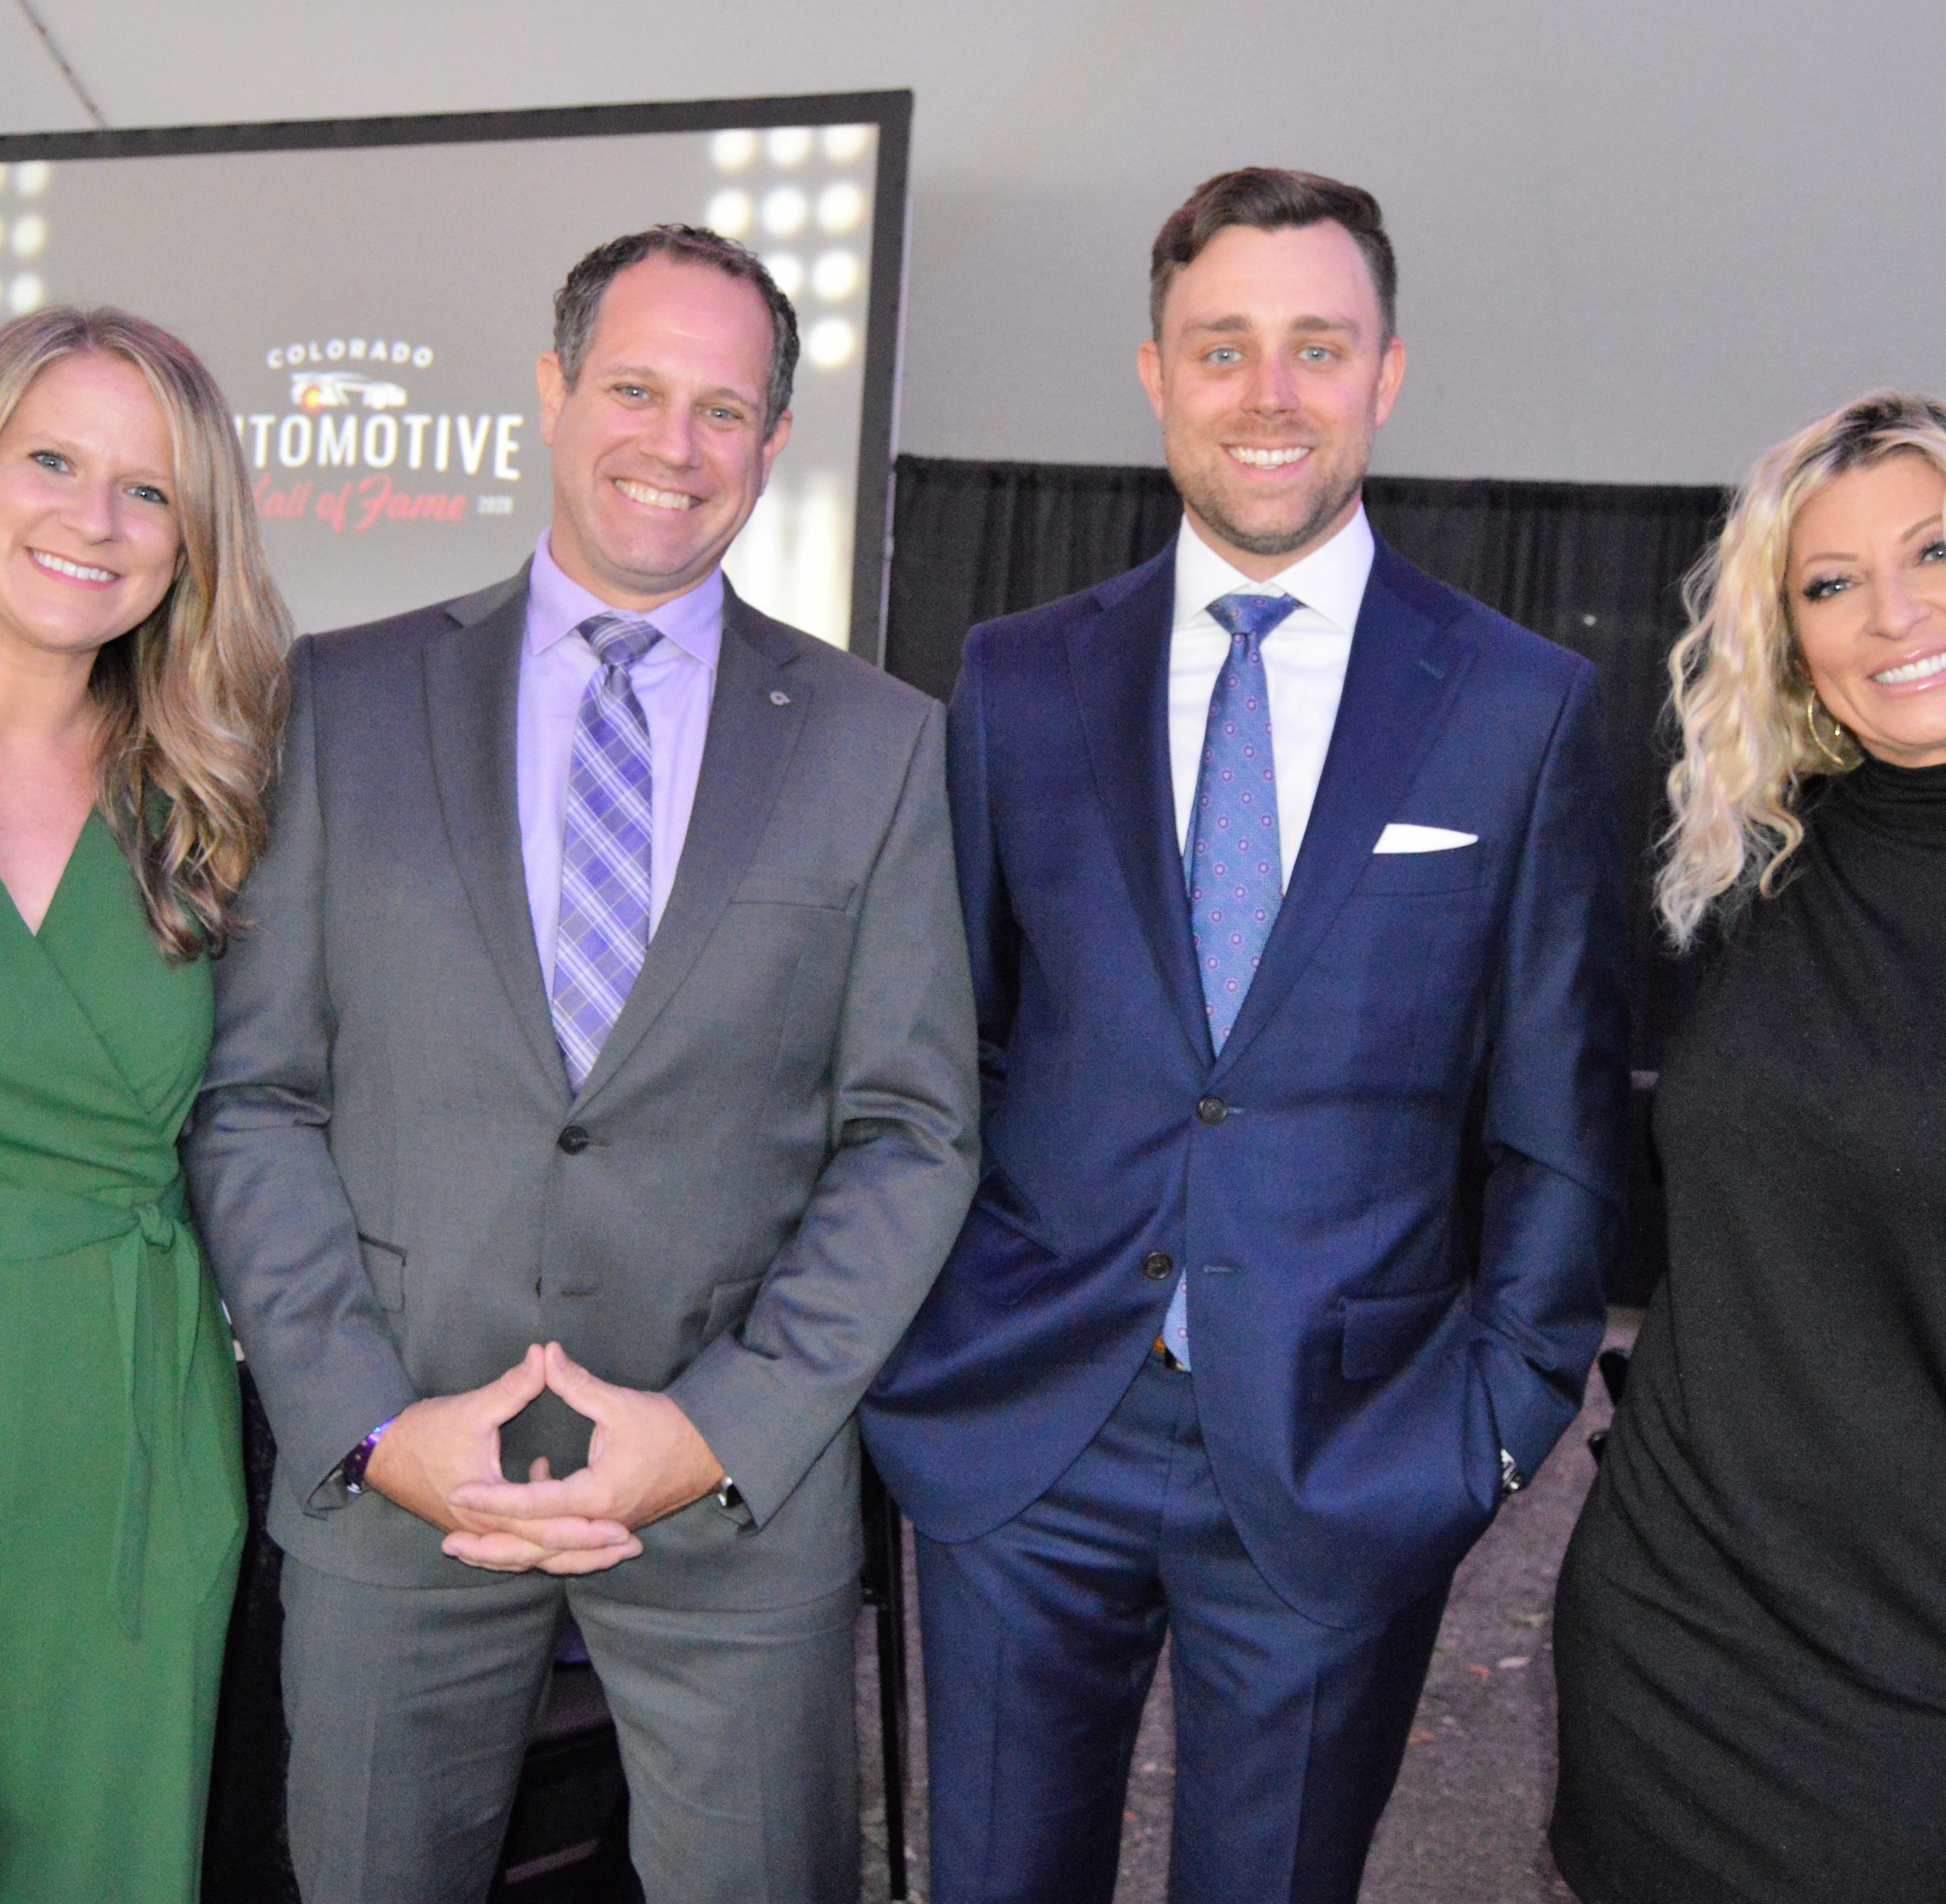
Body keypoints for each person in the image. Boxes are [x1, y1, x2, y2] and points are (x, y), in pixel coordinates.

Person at [183, 227, 978, 1904]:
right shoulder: (338, 696)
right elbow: (257, 1098)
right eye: (632, 387)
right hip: (400, 1486)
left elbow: (910, 1134)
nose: (670, 444)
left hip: (725, 1503)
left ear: (771, 445)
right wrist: (365, 1420)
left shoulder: (878, 742)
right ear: (551, 395)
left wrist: (719, 1426)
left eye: (722, 409)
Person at [864, 166, 1631, 1903]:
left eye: (1314, 345)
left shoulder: (1516, 703)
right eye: (1221, 346)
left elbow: (1561, 1116)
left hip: (1344, 1453)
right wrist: (926, 1361)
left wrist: (1494, 1424)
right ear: (1153, 374)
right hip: (1020, 1444)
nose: (1266, 393)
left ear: (1385, 373)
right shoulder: (1015, 675)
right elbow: (937, 1052)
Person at [1551, 391, 1946, 1902]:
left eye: (1930, 552)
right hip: (1676, 1632)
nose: (1889, 614)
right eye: (1828, 582)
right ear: (1785, 639)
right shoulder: (1755, 873)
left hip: (1909, 1694)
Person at [0, 306, 288, 1902]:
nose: (90, 520)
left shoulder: (228, 793)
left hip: (121, 1434)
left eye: (149, 489)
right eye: (50, 457)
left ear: (194, 540)